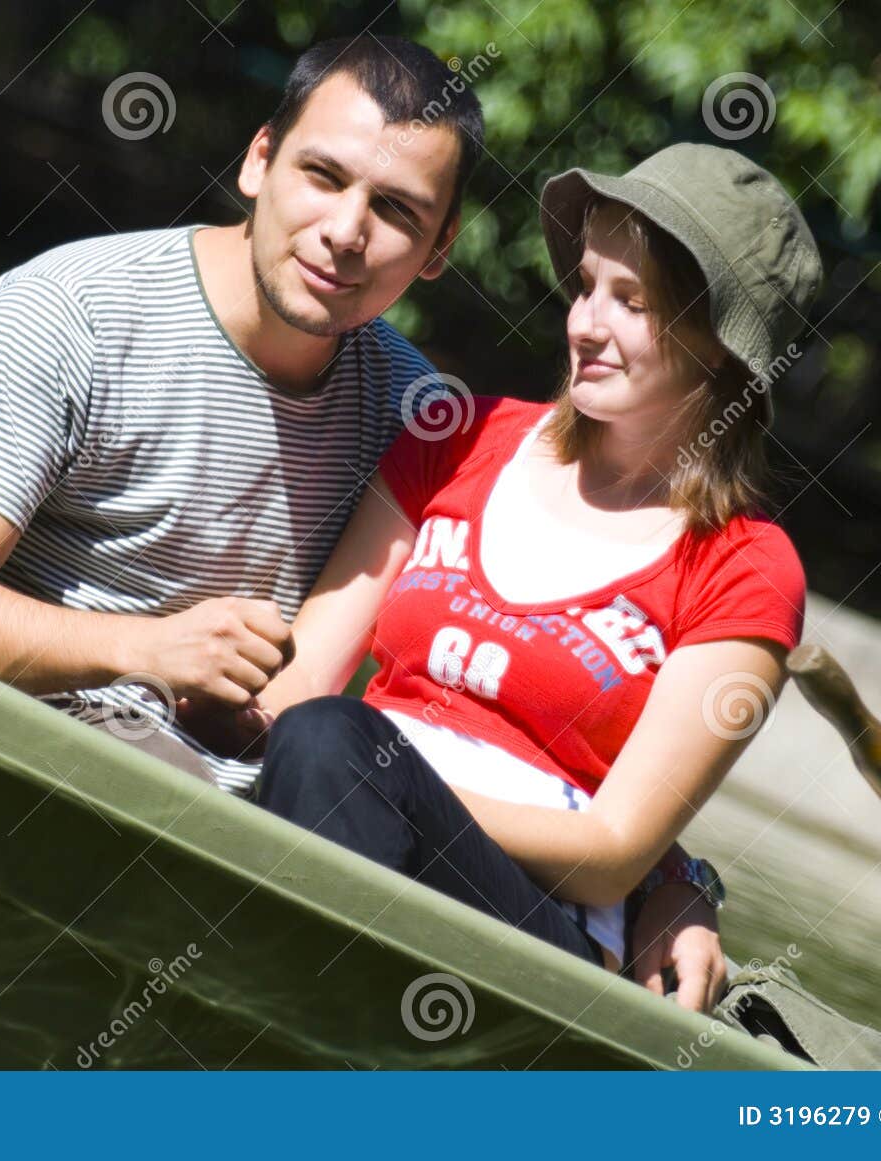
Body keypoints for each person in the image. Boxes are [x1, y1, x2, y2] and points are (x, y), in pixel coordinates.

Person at [0, 37, 726, 1002]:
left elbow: (503, 698)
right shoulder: (72, 310)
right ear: (259, 161)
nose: (345, 232)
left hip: (254, 834)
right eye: (322, 176)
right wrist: (146, 646)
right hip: (23, 775)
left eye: (396, 211)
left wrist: (671, 879)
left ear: (441, 249)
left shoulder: (422, 420)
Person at [243, 143, 821, 1004]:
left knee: (336, 745)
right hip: (340, 795)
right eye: (588, 285)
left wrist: (393, 782)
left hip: (534, 924)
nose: (586, 322)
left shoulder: (745, 566)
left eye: (633, 302)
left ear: (719, 351)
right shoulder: (455, 437)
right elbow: (293, 691)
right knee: (323, 739)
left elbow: (615, 851)